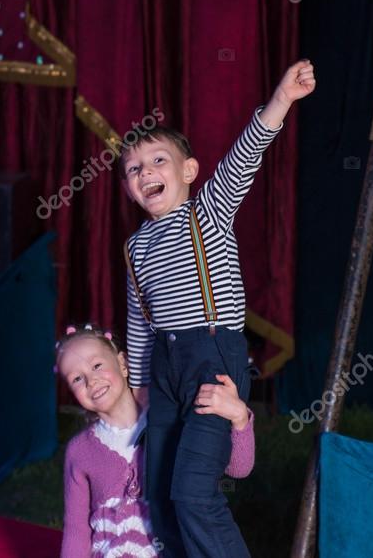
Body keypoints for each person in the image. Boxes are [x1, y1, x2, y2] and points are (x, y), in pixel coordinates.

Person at [122, 60, 316, 557]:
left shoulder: (207, 210)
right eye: (134, 169)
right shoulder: (134, 247)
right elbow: (139, 321)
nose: (146, 173)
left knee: (192, 493)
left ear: (189, 171)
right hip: (164, 371)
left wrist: (281, 100)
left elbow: (245, 156)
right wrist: (141, 385)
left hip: (212, 359)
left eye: (158, 161)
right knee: (161, 496)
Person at [57, 323, 254, 558]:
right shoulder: (80, 452)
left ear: (122, 363)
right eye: (77, 379)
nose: (92, 381)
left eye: (97, 365)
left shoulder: (170, 423)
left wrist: (239, 418)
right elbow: (76, 531)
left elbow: (238, 469)